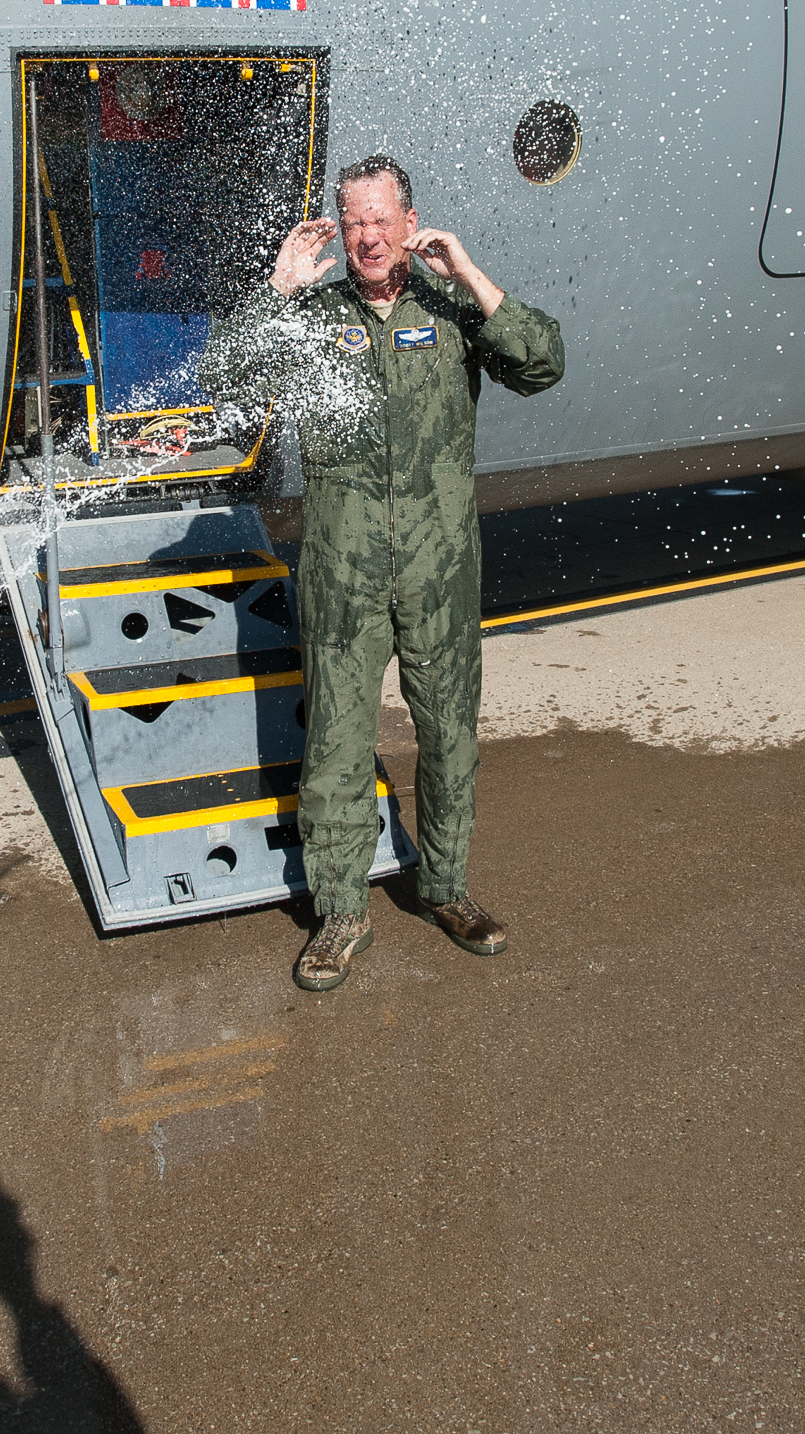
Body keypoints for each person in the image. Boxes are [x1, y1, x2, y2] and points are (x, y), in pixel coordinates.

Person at [205, 156, 564, 993]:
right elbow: (223, 379)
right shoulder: (314, 317)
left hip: (441, 567)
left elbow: (542, 362)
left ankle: (445, 887)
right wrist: (278, 290)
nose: (367, 236)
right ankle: (340, 913)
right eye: (352, 221)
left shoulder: (449, 309)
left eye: (381, 219)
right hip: (344, 568)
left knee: (449, 734)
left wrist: (470, 273)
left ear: (410, 223)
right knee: (335, 742)